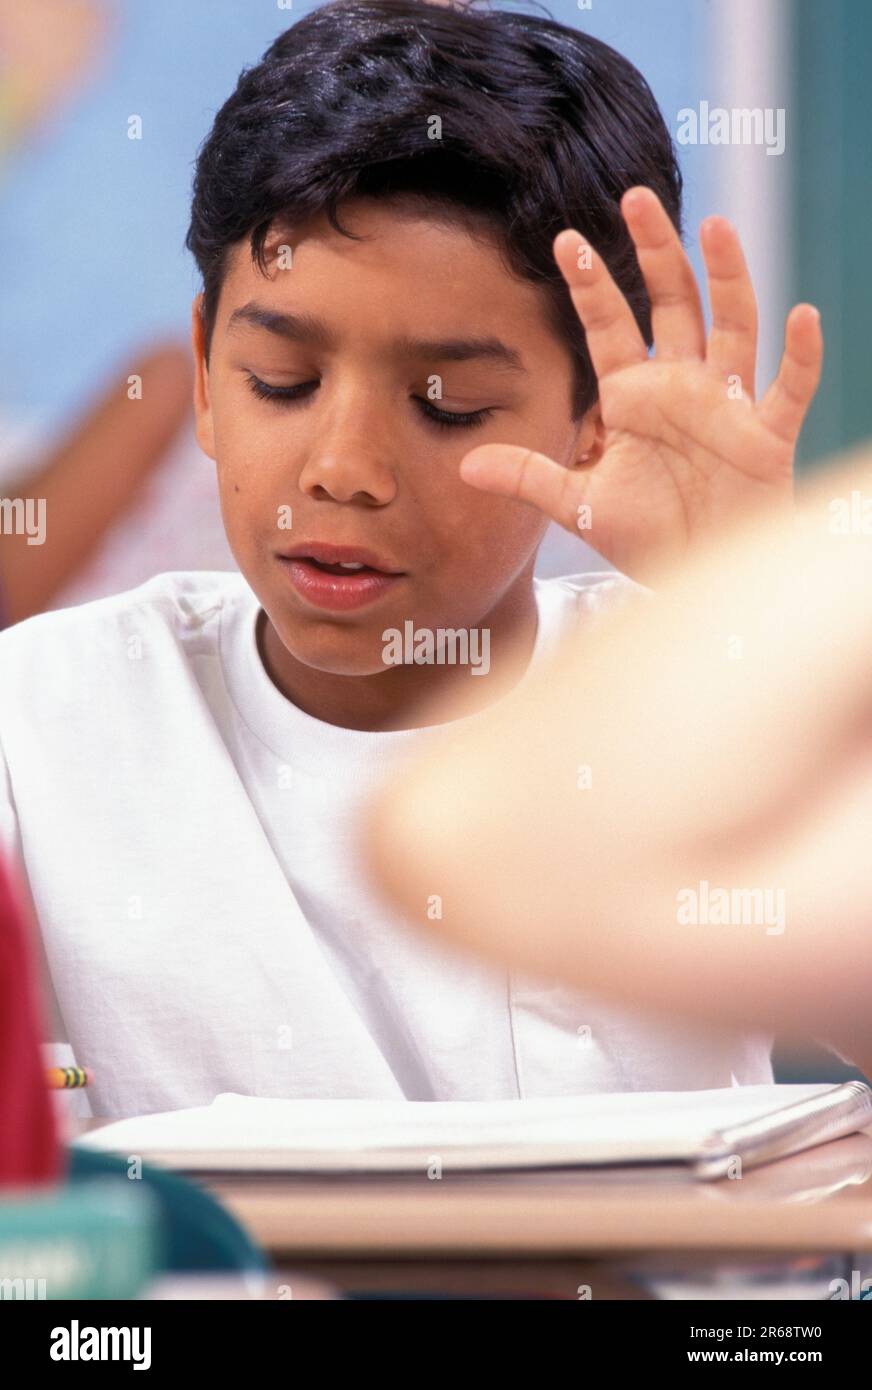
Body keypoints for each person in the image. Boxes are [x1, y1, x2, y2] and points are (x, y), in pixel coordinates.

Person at [0, 0, 820, 1117]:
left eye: (449, 405)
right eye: (278, 383)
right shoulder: (40, 724)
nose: (342, 468)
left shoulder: (699, 698)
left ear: (593, 416)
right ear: (200, 371)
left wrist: (760, 623)